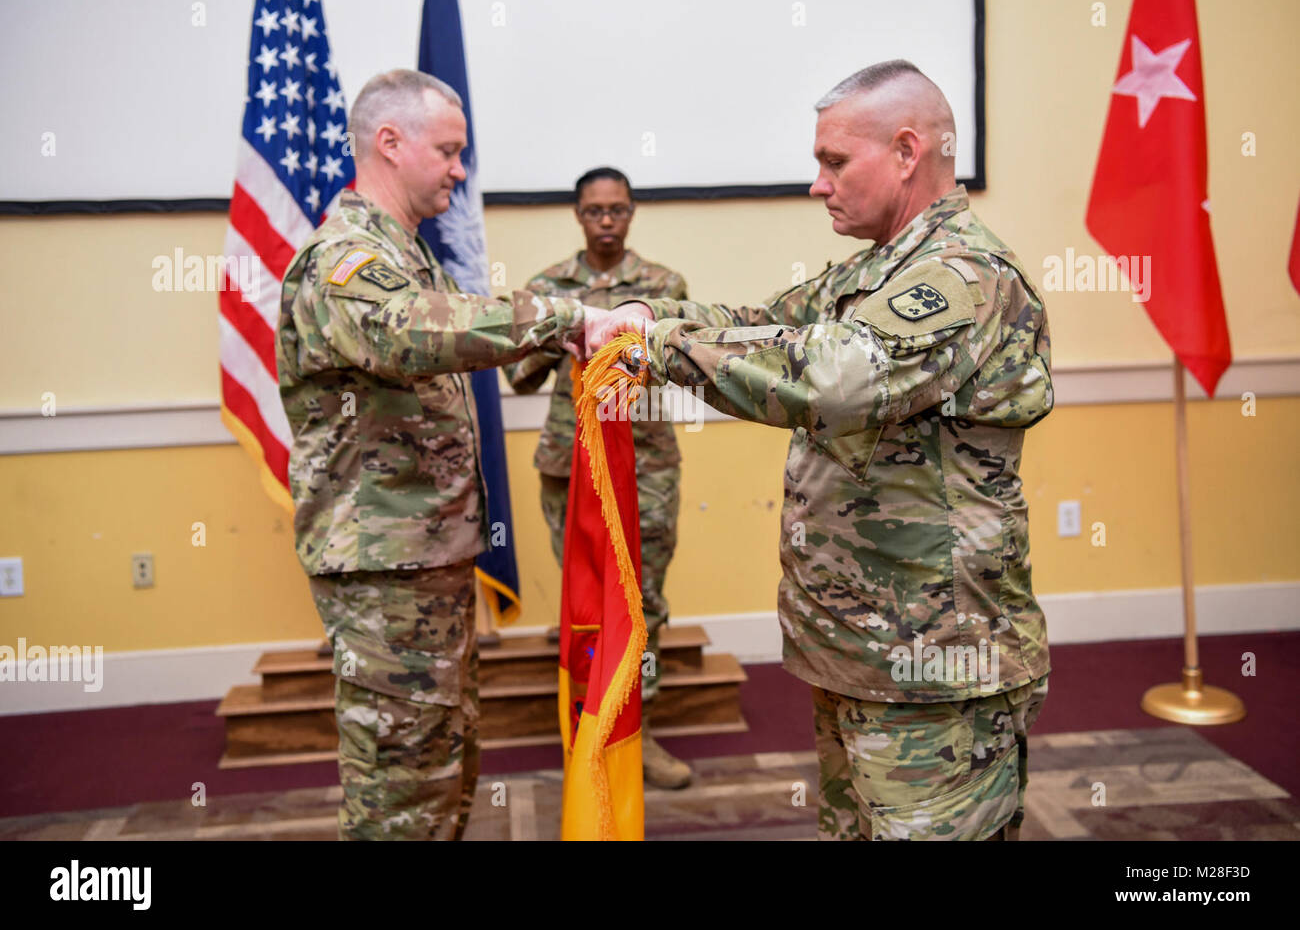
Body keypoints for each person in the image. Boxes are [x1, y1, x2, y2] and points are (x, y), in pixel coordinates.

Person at [590, 61, 1053, 840]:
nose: (817, 184)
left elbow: (831, 379)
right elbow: (761, 318)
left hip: (935, 670)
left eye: (834, 162)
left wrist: (659, 344)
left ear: (908, 151)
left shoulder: (964, 275)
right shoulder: (877, 268)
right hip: (859, 652)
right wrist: (648, 311)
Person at [276, 68, 604, 840]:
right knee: (401, 796)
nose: (461, 170)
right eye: (450, 151)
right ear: (388, 143)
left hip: (424, 564)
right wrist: (566, 317)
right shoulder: (344, 260)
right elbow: (410, 331)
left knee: (441, 773)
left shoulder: (407, 255)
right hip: (387, 573)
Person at [504, 167, 693, 790]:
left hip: (646, 465)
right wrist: (563, 330)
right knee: (586, 604)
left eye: (616, 210)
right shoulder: (549, 287)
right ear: (577, 215)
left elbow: (683, 367)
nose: (606, 221)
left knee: (646, 603)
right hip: (571, 465)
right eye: (594, 211)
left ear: (632, 213)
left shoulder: (663, 285)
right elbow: (520, 377)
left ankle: (640, 735)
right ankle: (590, 730)